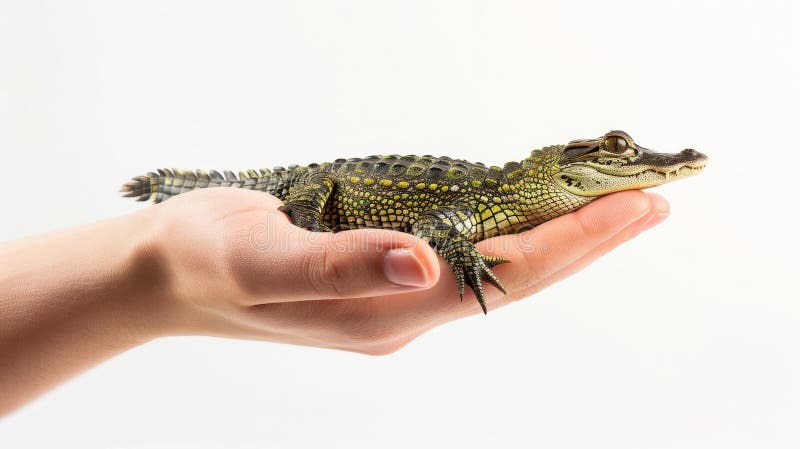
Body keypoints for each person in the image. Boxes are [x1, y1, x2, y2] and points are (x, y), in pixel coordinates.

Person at [0, 187, 669, 415]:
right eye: (616, 152)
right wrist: (156, 271)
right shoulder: (493, 197)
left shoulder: (507, 192)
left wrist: (147, 271)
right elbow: (441, 232)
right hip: (323, 191)